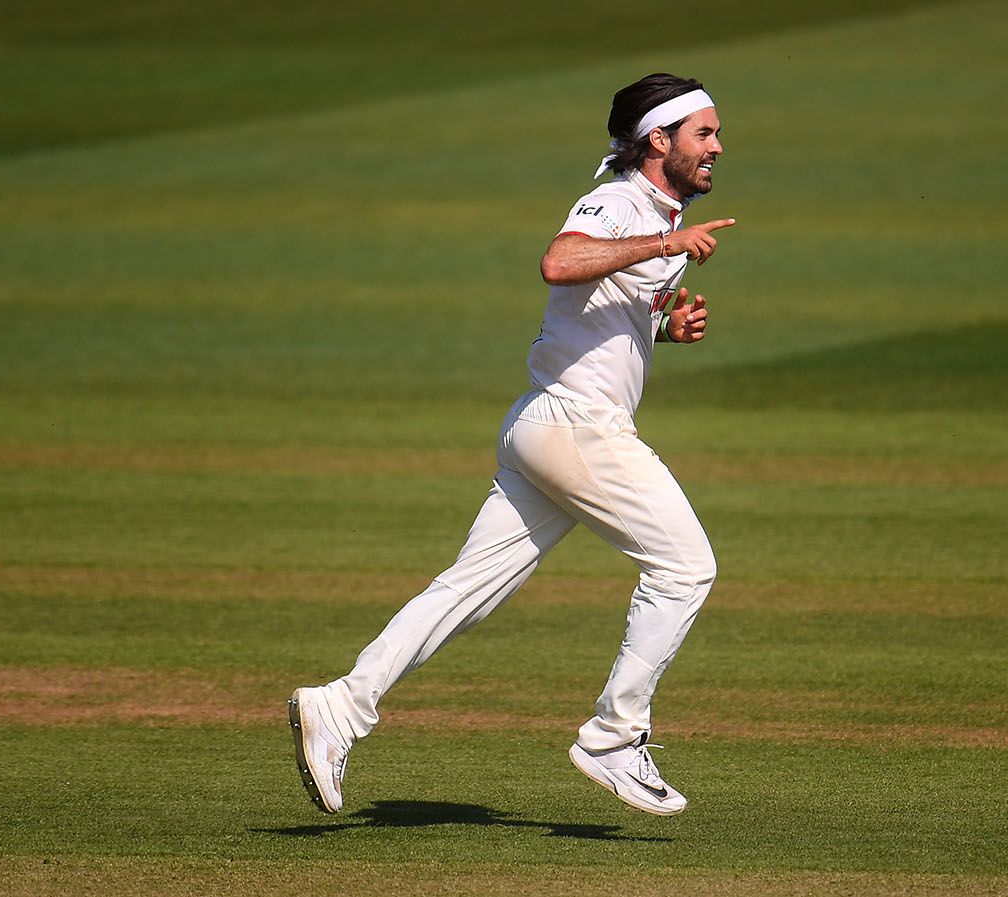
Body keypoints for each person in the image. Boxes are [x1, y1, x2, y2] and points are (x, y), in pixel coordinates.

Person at [290, 73, 734, 817]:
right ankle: (614, 738)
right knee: (686, 567)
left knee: (463, 593)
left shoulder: (663, 210)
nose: (718, 146)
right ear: (659, 141)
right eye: (704, 134)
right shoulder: (623, 203)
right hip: (577, 425)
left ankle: (341, 705)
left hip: (546, 426)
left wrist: (664, 328)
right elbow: (560, 263)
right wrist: (665, 241)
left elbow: (592, 310)